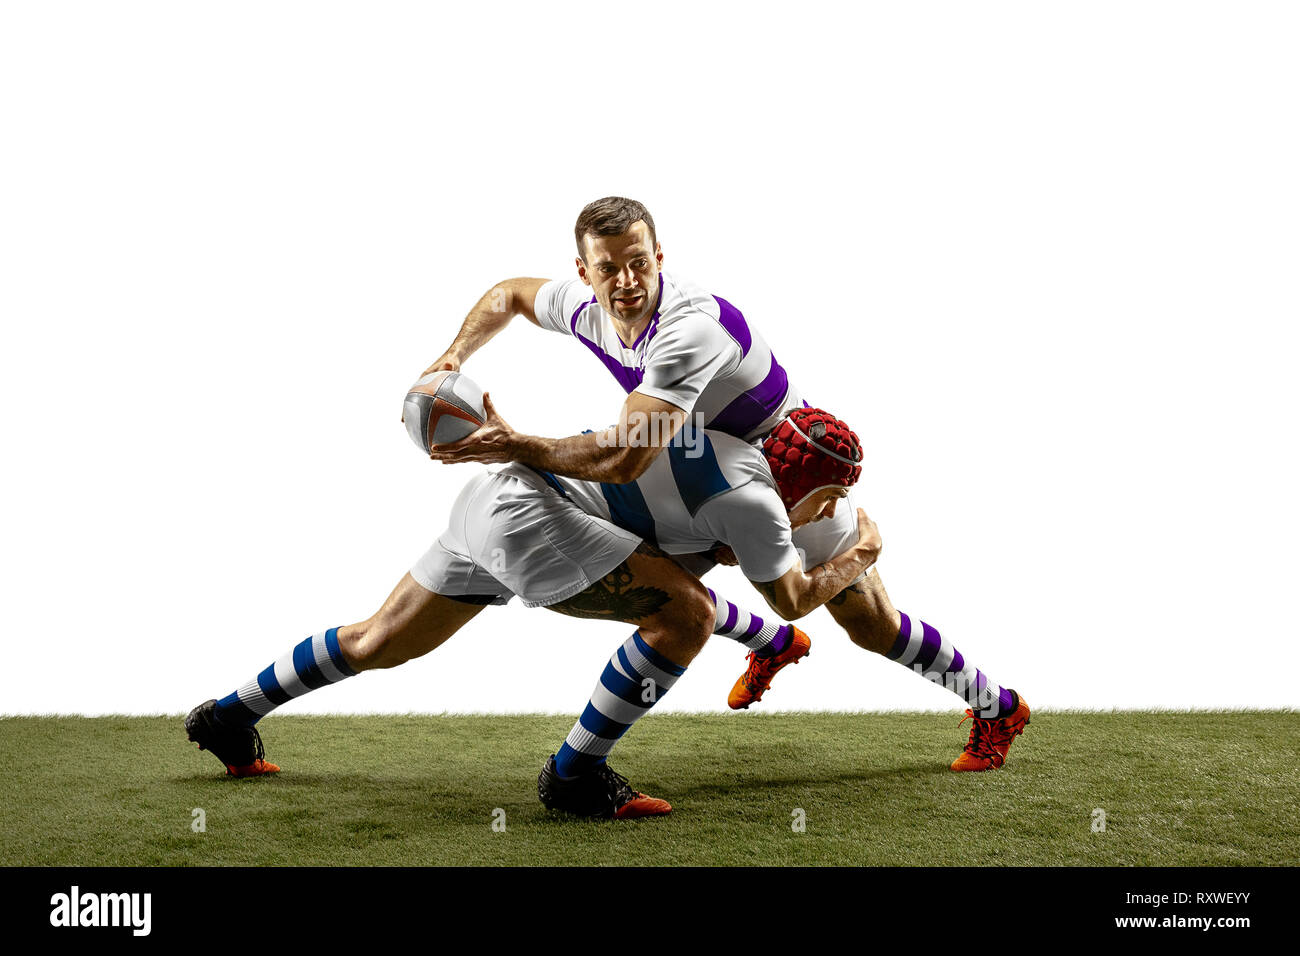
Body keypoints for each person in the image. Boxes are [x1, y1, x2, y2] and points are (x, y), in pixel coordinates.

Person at [425, 197, 1030, 771]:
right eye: (609, 268)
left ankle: (997, 706)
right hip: (694, 465)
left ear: (659, 257)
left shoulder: (689, 328)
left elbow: (625, 458)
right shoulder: (586, 309)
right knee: (656, 577)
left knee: (870, 623)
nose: (628, 281)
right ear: (584, 271)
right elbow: (509, 294)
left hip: (785, 479)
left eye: (640, 263)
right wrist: (454, 357)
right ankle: (773, 645)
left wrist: (514, 444)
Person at [186, 409, 882, 819]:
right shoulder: (759, 504)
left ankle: (228, 715)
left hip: (507, 494)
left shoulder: (719, 442)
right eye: (826, 500)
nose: (826, 516)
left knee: (379, 640)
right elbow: (794, 597)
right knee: (687, 614)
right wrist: (864, 552)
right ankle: (574, 776)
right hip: (531, 516)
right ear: (806, 482)